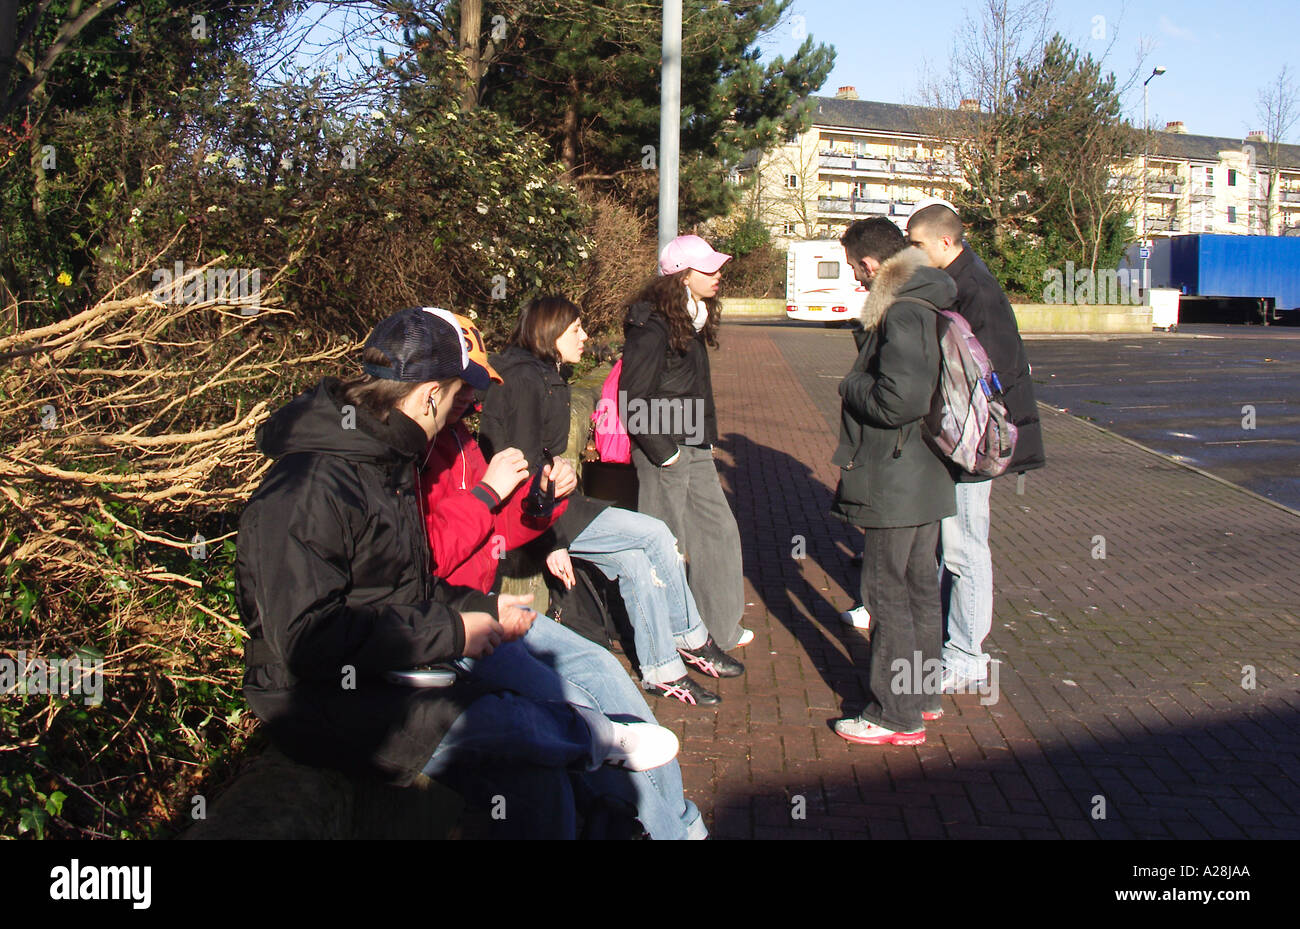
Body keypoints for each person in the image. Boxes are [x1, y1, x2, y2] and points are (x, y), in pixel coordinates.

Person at [236, 305, 678, 838]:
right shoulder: (317, 485)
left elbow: (407, 582)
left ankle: (610, 795)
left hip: (398, 664)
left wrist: (478, 608)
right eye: (453, 398)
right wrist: (453, 627)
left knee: (538, 784)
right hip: (324, 701)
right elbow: (305, 638)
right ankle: (592, 741)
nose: (465, 410)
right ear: (427, 395)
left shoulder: (381, 459)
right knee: (516, 723)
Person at [418, 314, 708, 837]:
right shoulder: (409, 456)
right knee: (581, 706)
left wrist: (544, 507)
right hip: (454, 622)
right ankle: (667, 825)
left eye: (476, 388)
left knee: (604, 671)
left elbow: (494, 531)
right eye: (464, 386)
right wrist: (491, 494)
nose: (473, 401)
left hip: (482, 604)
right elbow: (421, 560)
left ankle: (680, 826)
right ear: (426, 386)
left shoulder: (457, 439)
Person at [477, 296, 742, 705]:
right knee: (655, 535)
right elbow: (520, 466)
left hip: (554, 506)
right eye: (576, 330)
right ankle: (692, 639)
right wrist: (551, 542)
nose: (586, 337)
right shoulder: (526, 381)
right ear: (549, 334)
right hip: (536, 517)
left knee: (637, 561)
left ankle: (662, 670)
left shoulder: (541, 373)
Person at [905, 198, 1046, 692]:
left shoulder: (971, 292)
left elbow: (985, 380)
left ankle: (966, 657)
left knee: (965, 549)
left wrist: (965, 440)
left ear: (945, 242)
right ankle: (958, 645)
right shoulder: (965, 282)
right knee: (959, 546)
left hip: (974, 441)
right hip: (971, 438)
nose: (912, 253)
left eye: (917, 244)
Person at [830, 218, 957, 746]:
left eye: (855, 270)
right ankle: (922, 697)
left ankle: (893, 714)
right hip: (926, 472)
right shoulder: (930, 300)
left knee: (886, 594)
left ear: (872, 265)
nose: (856, 281)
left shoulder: (902, 313)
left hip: (895, 476)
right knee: (921, 589)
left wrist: (851, 383)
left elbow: (896, 401)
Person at [618, 235, 751, 652]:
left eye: (716, 266)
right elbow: (632, 396)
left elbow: (695, 391)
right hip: (665, 451)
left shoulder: (691, 318)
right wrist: (666, 453)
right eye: (707, 268)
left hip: (692, 445)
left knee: (720, 532)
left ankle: (718, 629)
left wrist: (703, 441)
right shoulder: (652, 324)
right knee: (663, 545)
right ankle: (665, 638)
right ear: (681, 276)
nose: (717, 274)